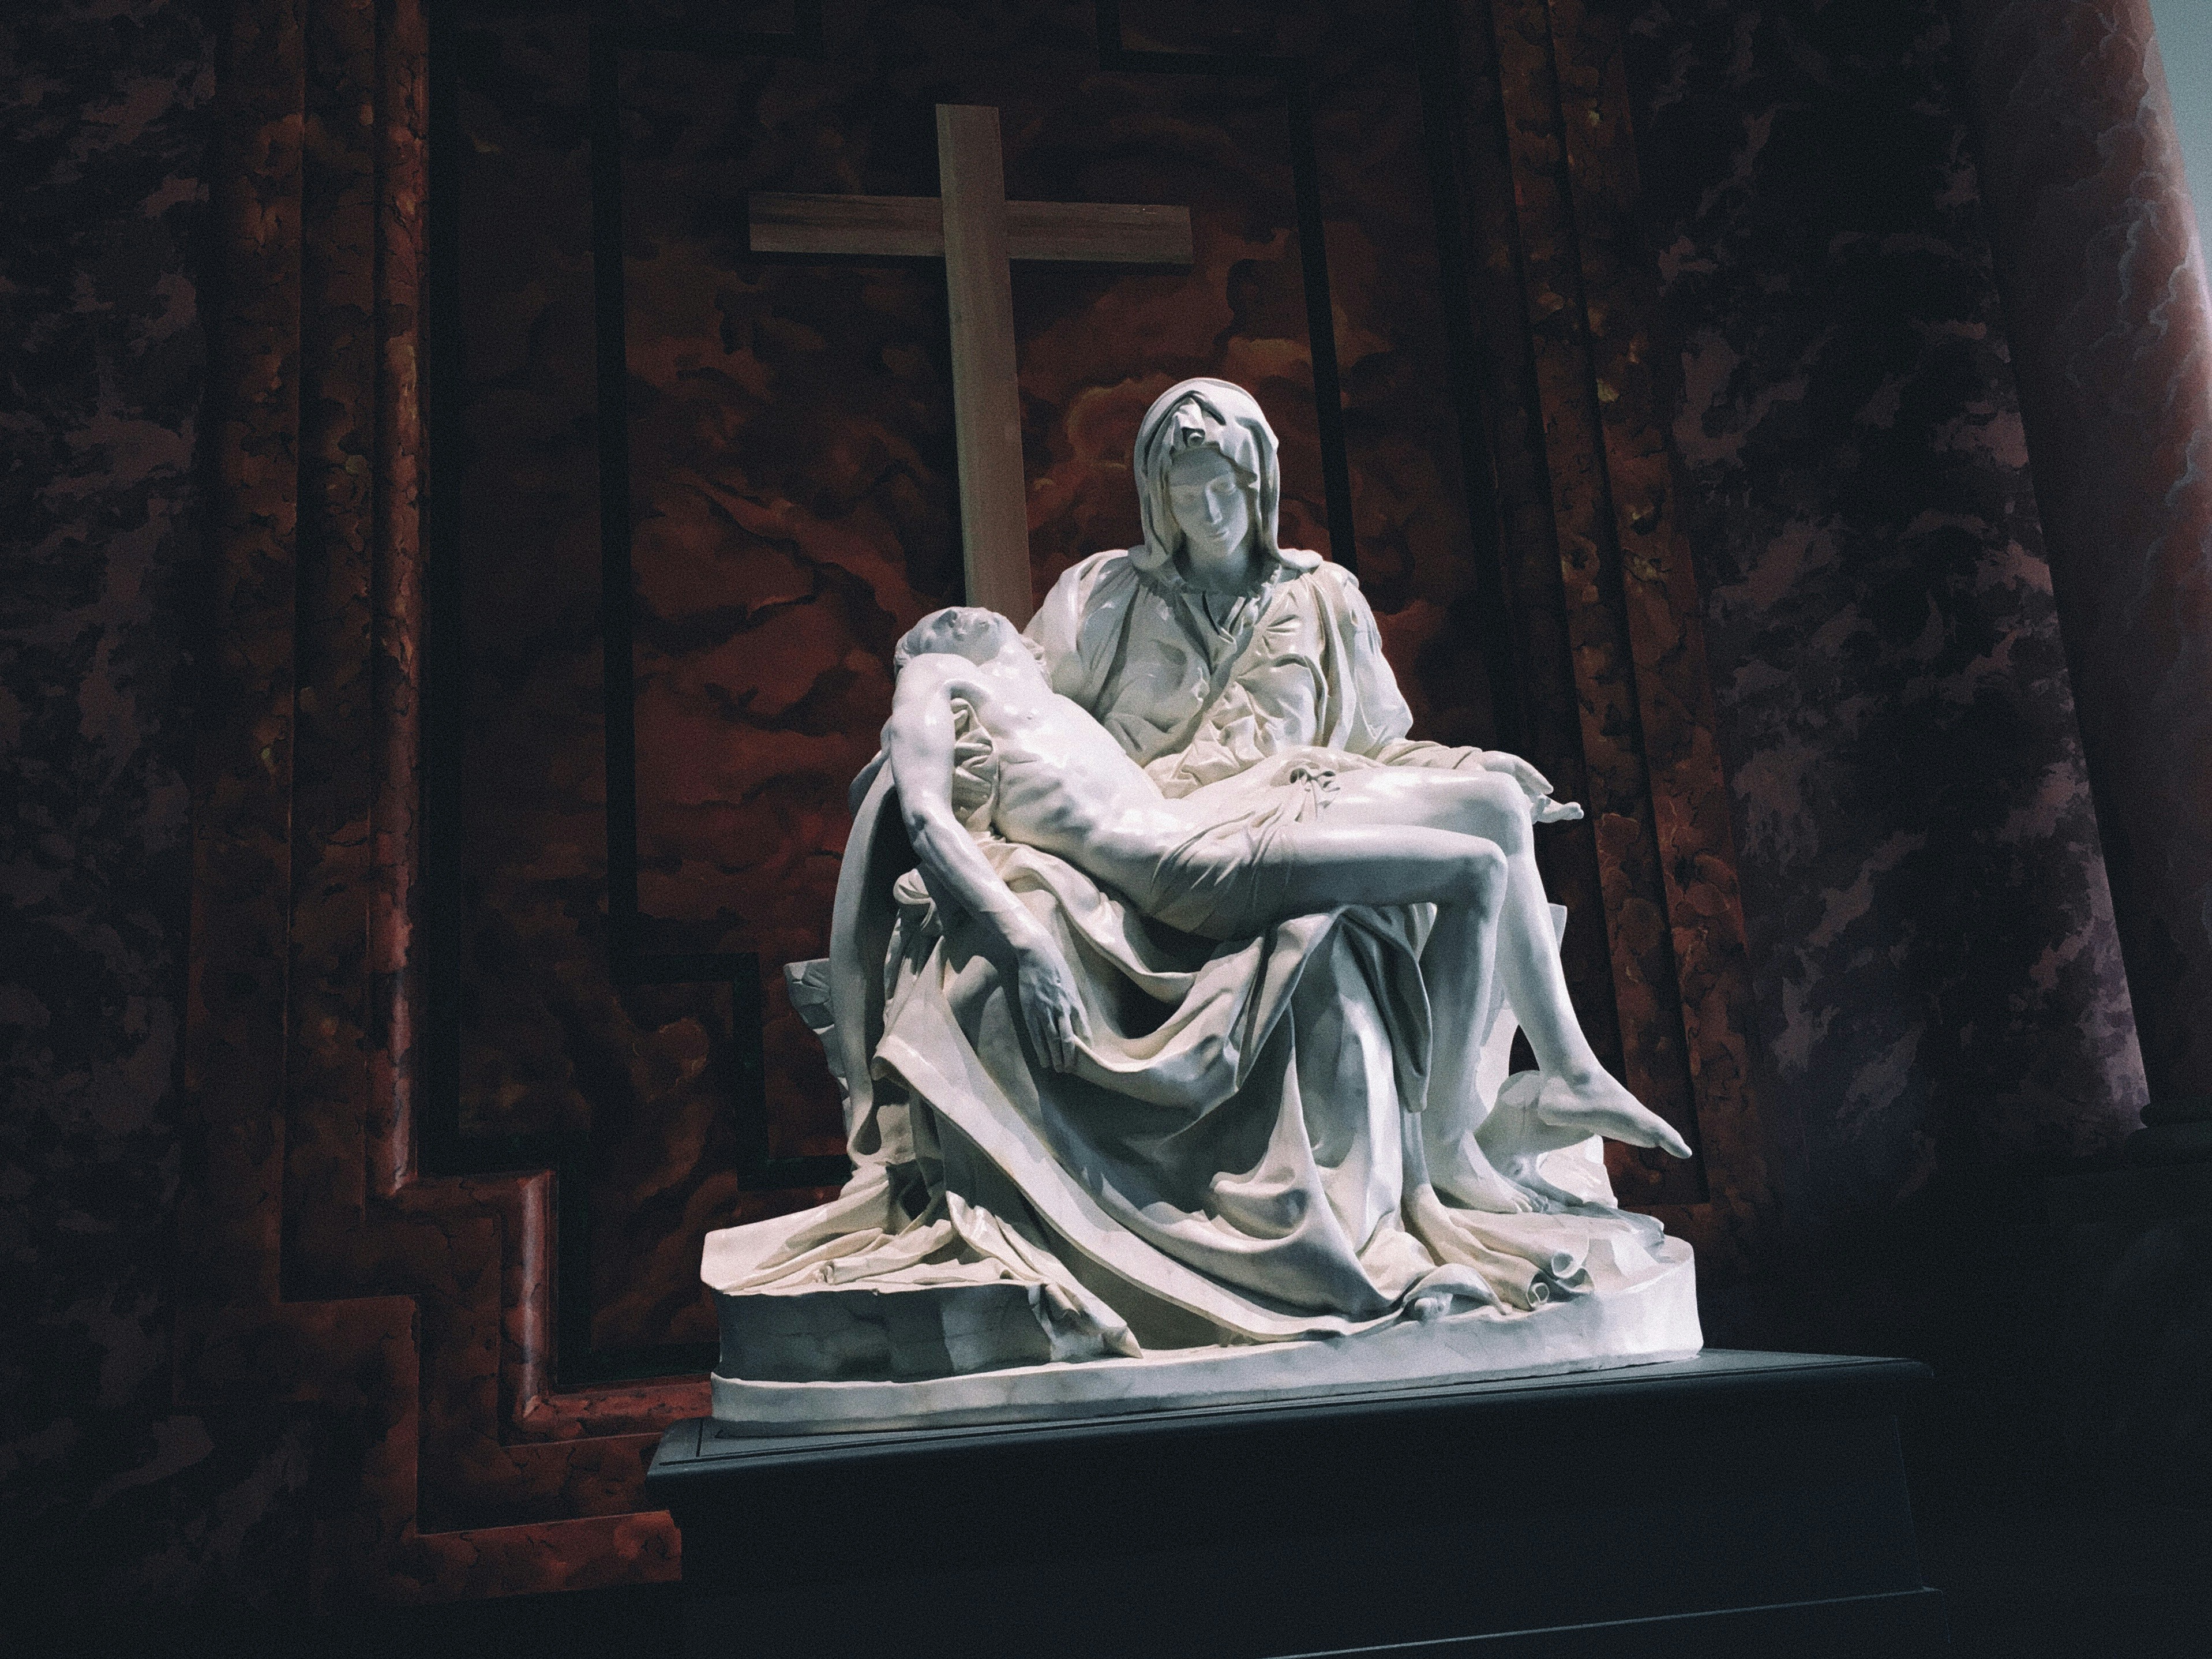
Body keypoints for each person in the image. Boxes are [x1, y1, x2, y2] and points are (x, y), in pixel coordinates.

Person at [886, 605, 1688, 1160]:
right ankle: (1447, 1138)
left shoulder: (1047, 702)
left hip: (1218, 819)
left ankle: (1575, 1072)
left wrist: (1389, 766)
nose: (969, 614)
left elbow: (1154, 790)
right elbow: (925, 821)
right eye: (950, 618)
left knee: (1493, 802)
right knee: (1474, 870)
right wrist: (1024, 944)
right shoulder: (938, 678)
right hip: (1188, 868)